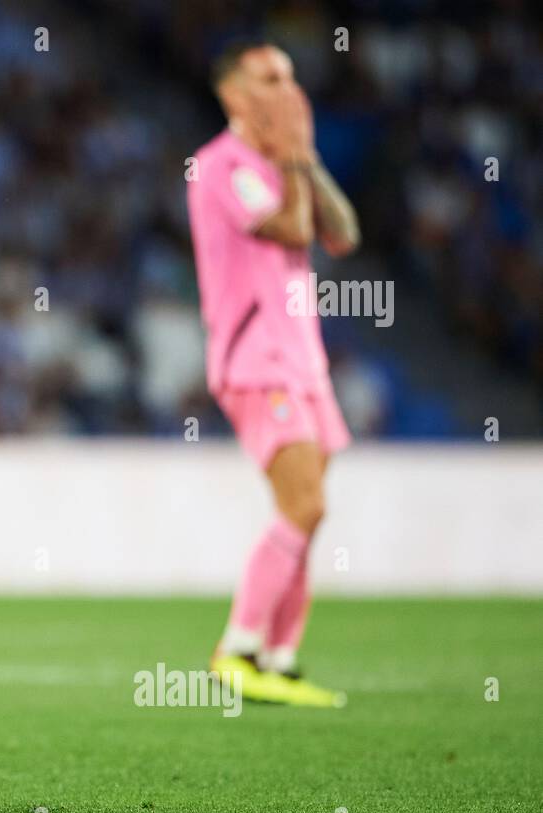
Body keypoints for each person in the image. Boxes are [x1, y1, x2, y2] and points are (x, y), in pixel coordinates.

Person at [187, 41, 360, 706]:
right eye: (269, 78)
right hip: (256, 357)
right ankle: (235, 650)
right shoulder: (219, 166)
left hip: (304, 359)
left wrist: (305, 158)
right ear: (234, 95)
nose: (287, 89)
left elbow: (341, 232)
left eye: (290, 75)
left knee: (308, 511)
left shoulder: (284, 162)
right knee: (304, 503)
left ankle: (279, 658)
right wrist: (292, 158)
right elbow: (291, 227)